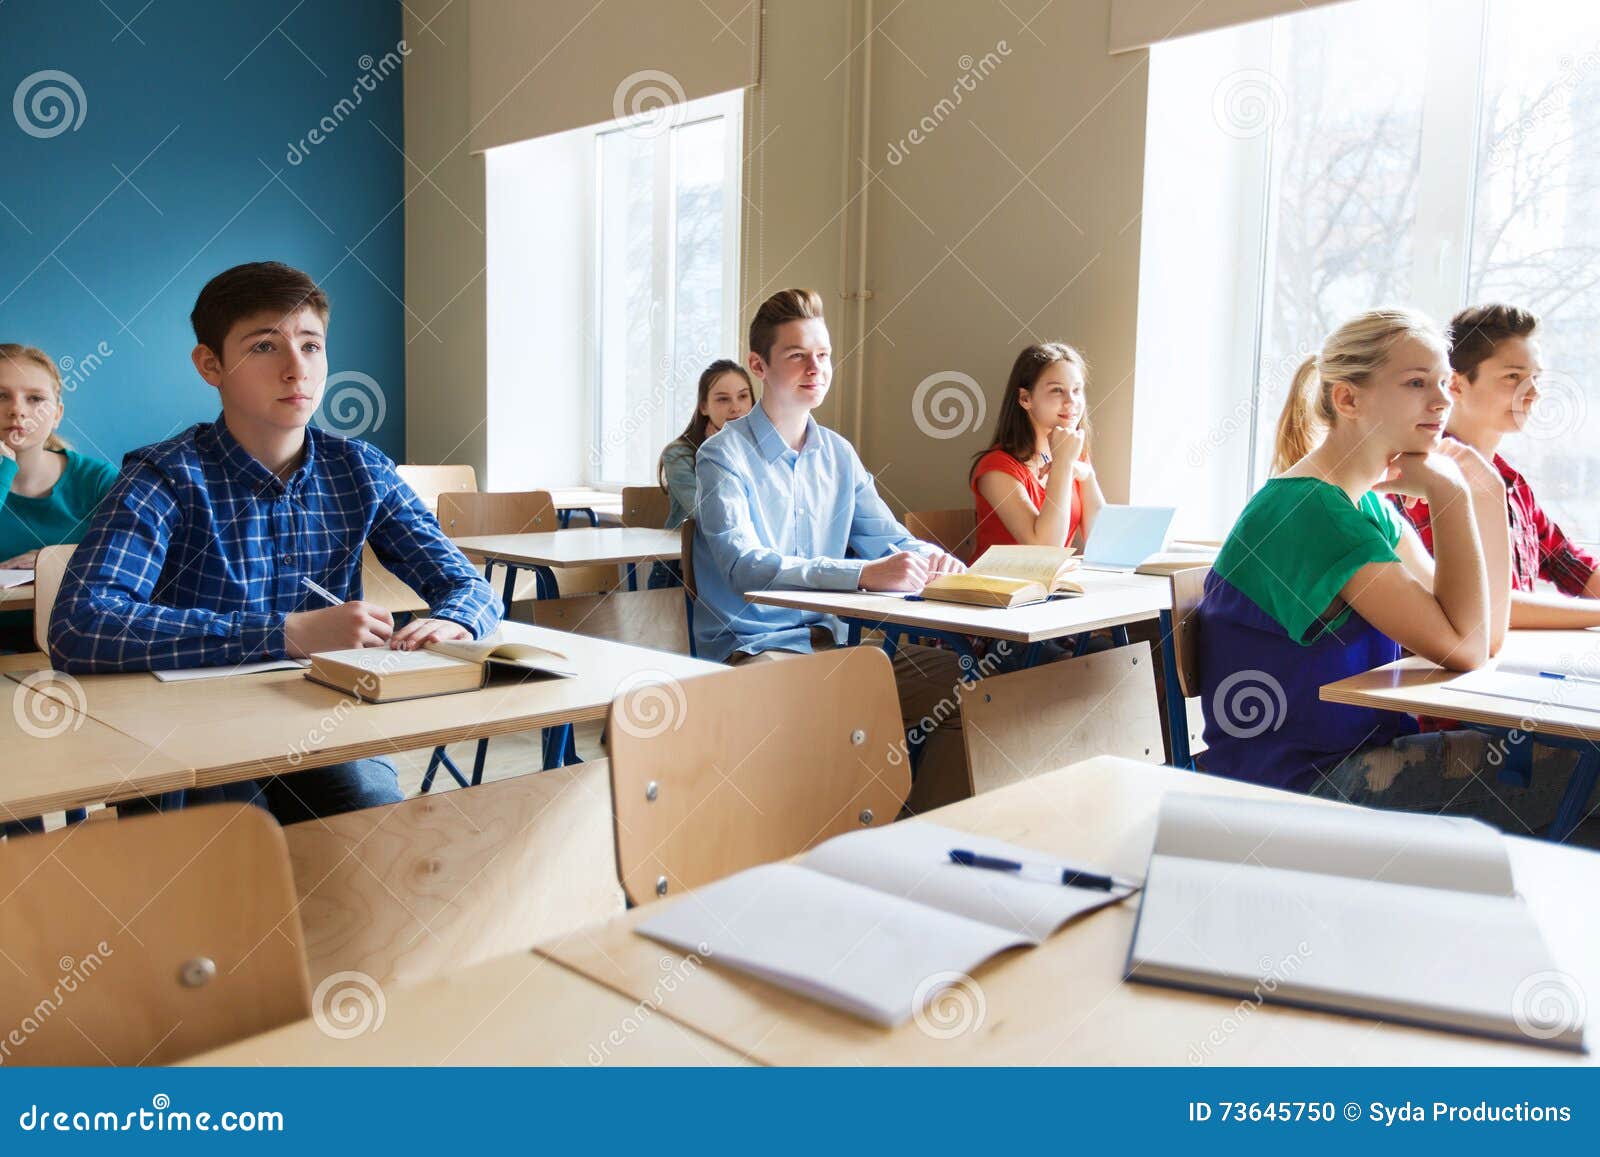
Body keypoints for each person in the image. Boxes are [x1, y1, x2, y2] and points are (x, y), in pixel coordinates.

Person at [49, 262, 500, 823]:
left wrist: (455, 620)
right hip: (189, 731)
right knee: (234, 853)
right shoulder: (163, 476)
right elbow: (79, 626)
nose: (296, 370)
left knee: (372, 830)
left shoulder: (360, 468)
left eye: (311, 346)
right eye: (265, 347)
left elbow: (466, 584)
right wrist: (285, 633)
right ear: (210, 364)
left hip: (323, 722)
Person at [1198, 308, 1574, 835]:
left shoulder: (1364, 507)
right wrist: (1450, 494)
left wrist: (1480, 490)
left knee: (1573, 766)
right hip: (1301, 787)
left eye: (1444, 382)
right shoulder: (1313, 512)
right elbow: (1464, 647)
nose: (1442, 400)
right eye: (1417, 383)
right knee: (1582, 784)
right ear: (1348, 399)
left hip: (1354, 759)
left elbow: (1483, 635)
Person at [692, 288, 972, 804]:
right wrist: (861, 574)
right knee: (820, 708)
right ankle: (821, 857)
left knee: (973, 687)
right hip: (755, 650)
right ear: (759, 364)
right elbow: (744, 566)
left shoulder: (838, 454)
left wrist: (935, 560)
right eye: (796, 355)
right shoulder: (721, 455)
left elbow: (888, 539)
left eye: (822, 355)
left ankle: (921, 850)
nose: (814, 368)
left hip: (841, 646)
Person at [0, 344, 118, 654]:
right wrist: (4, 469)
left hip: (81, 646)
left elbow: (136, 554)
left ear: (56, 414)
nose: (17, 410)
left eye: (35, 399)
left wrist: (56, 557)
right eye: (1, 396)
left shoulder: (96, 479)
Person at [970, 341, 1104, 557]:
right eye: (1057, 390)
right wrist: (1062, 465)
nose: (1071, 402)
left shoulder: (1072, 453)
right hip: (1001, 587)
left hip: (1051, 586)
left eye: (1077, 390)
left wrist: (1087, 476)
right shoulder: (996, 468)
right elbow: (1044, 550)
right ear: (1026, 399)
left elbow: (1103, 541)